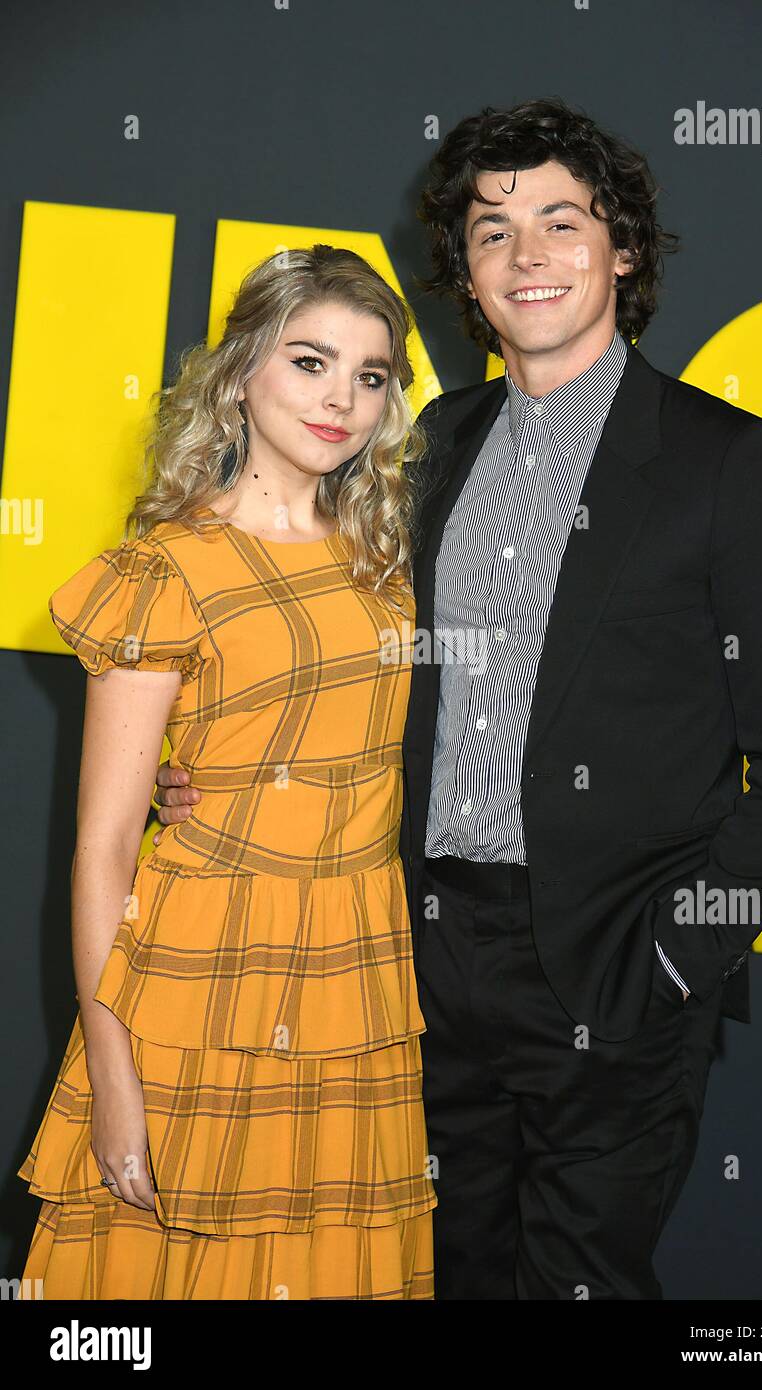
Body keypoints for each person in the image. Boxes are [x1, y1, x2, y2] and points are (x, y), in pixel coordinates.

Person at [155, 99, 762, 1300]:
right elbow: (358, 664)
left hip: (615, 965)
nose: (526, 255)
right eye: (491, 230)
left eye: (559, 222)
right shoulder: (432, 441)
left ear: (620, 250)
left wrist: (679, 957)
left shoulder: (727, 459)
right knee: (447, 1277)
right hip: (414, 953)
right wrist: (222, 770)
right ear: (464, 274)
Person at [17, 244, 437, 1300]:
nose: (341, 397)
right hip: (203, 983)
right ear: (242, 372)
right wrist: (113, 1083)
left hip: (357, 983)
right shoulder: (168, 566)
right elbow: (106, 844)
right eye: (309, 361)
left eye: (370, 374)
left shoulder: (384, 559)